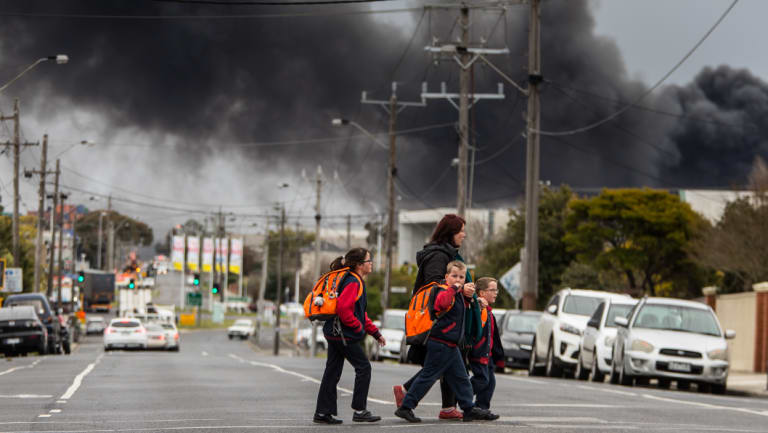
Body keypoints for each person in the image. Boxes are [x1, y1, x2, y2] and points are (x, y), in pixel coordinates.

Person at [394, 214, 479, 420]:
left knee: (458, 374)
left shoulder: (447, 254)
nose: (464, 235)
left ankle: (466, 407)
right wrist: (460, 288)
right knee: (431, 372)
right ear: (450, 233)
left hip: (449, 332)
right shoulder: (439, 256)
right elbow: (436, 289)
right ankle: (407, 402)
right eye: (460, 231)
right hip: (441, 330)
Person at [394, 261, 494, 423]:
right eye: (454, 276)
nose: (458, 279)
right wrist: (455, 288)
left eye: (461, 277)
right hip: (440, 342)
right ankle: (406, 407)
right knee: (428, 376)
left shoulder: (457, 294)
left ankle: (468, 408)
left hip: (450, 344)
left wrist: (468, 299)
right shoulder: (443, 290)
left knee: (461, 377)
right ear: (446, 277)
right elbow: (441, 303)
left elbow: (458, 312)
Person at [313, 248, 386, 425]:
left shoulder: (351, 280)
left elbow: (360, 313)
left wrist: (374, 333)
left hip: (334, 332)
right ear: (360, 265)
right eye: (369, 260)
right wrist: (358, 328)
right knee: (364, 367)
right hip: (343, 334)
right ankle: (360, 410)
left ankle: (323, 413)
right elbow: (344, 309)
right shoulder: (353, 282)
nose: (371, 263)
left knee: (332, 372)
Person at [469, 277, 504, 419]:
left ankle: (481, 408)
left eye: (496, 290)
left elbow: (495, 339)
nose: (496, 293)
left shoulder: (489, 313)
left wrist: (499, 358)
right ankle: (458, 396)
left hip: (487, 354)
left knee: (490, 382)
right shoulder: (478, 310)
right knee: (482, 380)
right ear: (482, 293)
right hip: (478, 352)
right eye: (492, 290)